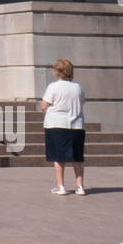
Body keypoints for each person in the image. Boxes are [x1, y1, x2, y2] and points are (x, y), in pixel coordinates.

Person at [42, 58, 87, 195]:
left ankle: (60, 186)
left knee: (58, 157)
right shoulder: (77, 87)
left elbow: (44, 106)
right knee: (77, 157)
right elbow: (82, 103)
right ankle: (80, 186)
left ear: (57, 72)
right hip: (77, 125)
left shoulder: (53, 87)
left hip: (56, 124)